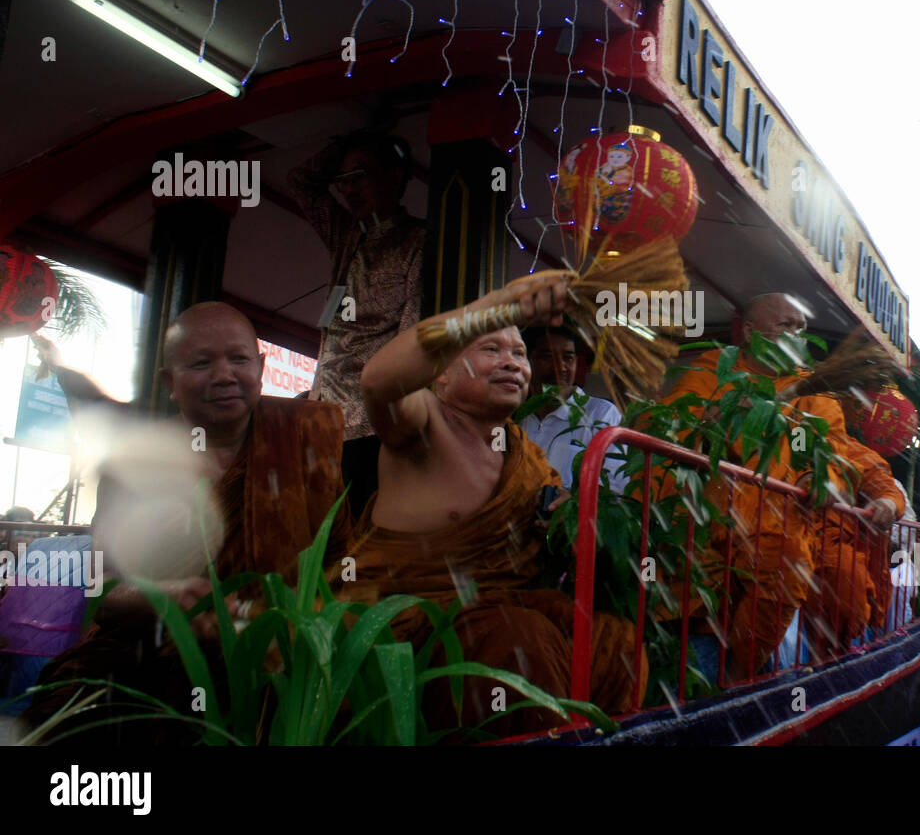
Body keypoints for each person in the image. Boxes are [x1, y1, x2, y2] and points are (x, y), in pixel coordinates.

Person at [21, 304, 347, 742]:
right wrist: (162, 596)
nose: (224, 376)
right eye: (200, 363)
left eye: (239, 359)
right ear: (168, 382)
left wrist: (291, 625)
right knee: (68, 717)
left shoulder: (305, 436)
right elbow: (105, 589)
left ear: (262, 368)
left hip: (277, 650)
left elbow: (341, 563)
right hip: (154, 653)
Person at [337, 272, 644, 737]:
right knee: (518, 643)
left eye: (519, 353)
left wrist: (567, 521)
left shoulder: (526, 454)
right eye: (490, 350)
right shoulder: (422, 423)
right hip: (411, 620)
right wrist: (501, 305)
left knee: (615, 642)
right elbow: (378, 381)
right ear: (440, 374)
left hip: (496, 608)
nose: (513, 363)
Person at [660, 293, 904, 678]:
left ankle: (752, 671)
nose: (796, 335)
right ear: (751, 332)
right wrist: (722, 416)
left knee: (814, 569)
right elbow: (671, 429)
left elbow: (825, 453)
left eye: (801, 328)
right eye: (784, 326)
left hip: (786, 528)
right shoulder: (716, 370)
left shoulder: (812, 394)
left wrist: (818, 479)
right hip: (712, 517)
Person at [287, 130, 426, 511]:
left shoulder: (418, 241)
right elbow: (299, 181)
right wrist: (352, 137)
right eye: (343, 182)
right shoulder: (347, 235)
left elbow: (411, 339)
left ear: (395, 176)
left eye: (360, 176)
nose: (349, 190)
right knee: (313, 535)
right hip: (319, 418)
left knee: (357, 532)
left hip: (370, 426)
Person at [518, 324, 627, 493]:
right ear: (527, 361)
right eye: (547, 357)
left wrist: (572, 502)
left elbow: (616, 485)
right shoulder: (514, 415)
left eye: (568, 358)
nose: (560, 367)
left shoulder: (602, 414)